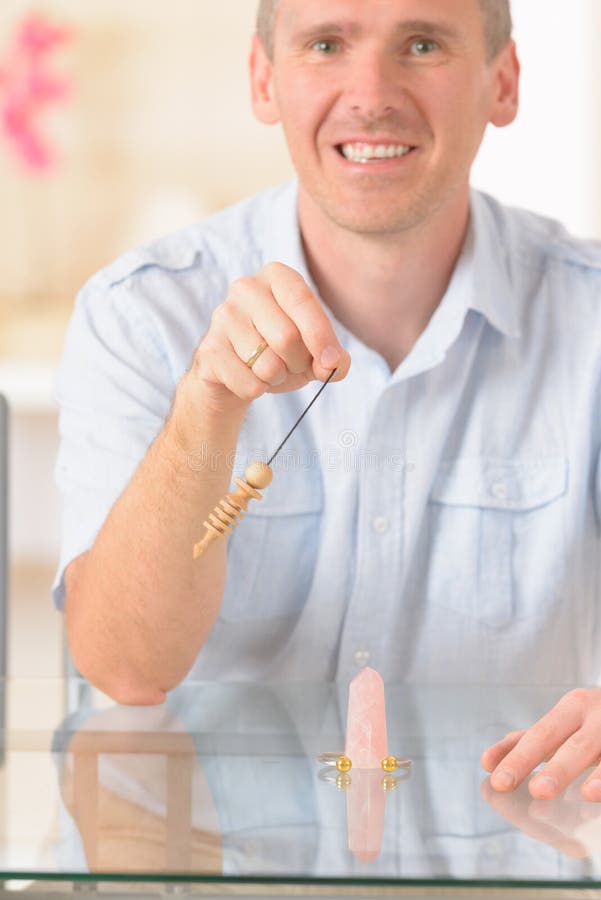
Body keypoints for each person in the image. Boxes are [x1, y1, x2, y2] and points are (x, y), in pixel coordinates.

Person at [54, 0, 601, 804]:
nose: (371, 92)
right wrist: (205, 409)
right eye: (325, 44)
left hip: (499, 857)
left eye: (421, 44)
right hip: (209, 871)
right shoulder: (142, 313)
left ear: (503, 83)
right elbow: (126, 669)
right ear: (263, 78)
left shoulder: (587, 317)